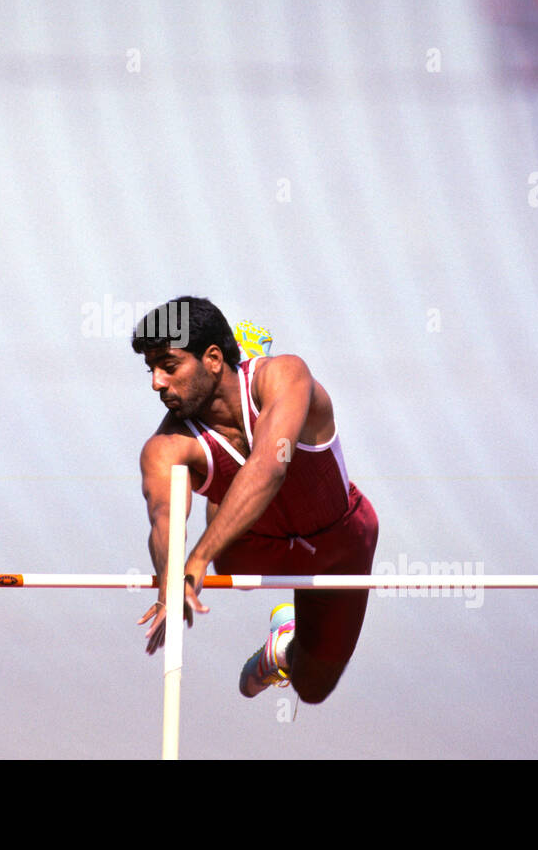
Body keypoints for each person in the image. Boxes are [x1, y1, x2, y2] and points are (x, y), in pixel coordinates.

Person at [132, 296, 379, 702]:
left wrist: (197, 560)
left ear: (212, 358)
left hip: (338, 541)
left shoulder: (285, 374)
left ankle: (282, 647)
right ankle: (223, 501)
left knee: (312, 689)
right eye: (151, 370)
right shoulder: (163, 448)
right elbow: (163, 516)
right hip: (252, 546)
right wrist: (170, 578)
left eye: (168, 367)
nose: (156, 383)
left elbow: (270, 467)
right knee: (227, 554)